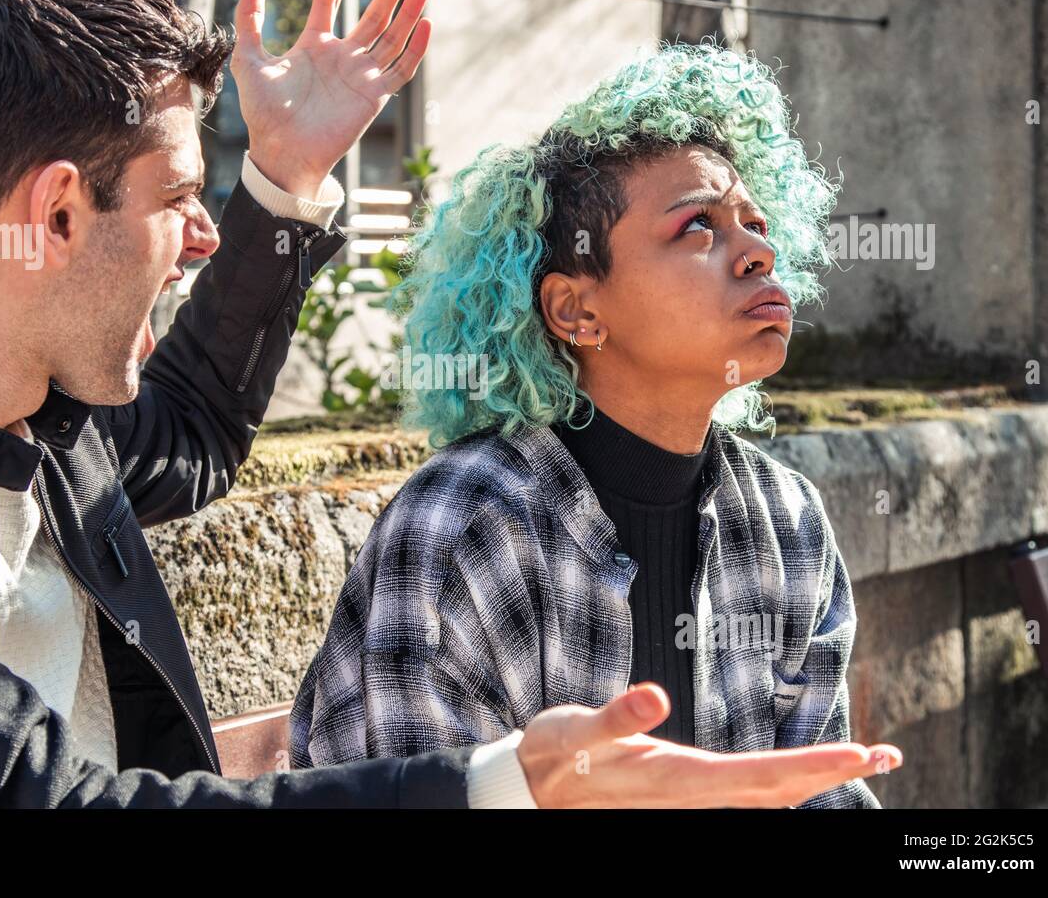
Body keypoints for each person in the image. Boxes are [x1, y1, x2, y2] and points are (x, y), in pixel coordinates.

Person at [0, 0, 896, 809]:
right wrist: (502, 782)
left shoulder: (41, 409)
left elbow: (195, 429)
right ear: (59, 213)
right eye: (182, 195)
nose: (203, 233)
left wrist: (285, 174)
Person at [290, 41, 901, 807]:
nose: (758, 252)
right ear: (576, 310)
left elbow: (820, 791)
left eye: (755, 221)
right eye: (697, 228)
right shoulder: (463, 527)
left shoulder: (788, 520)